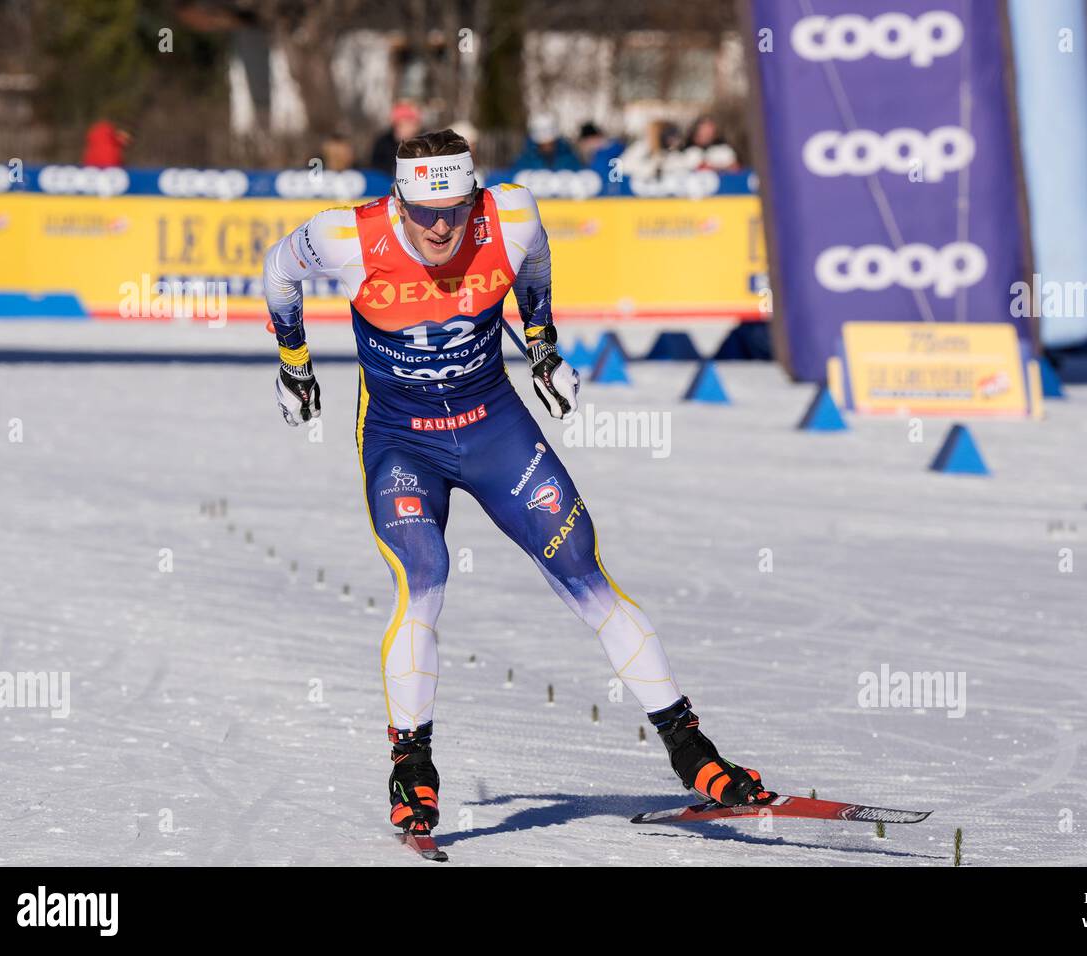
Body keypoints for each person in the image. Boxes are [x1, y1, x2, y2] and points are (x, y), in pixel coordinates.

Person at [261, 128, 765, 840]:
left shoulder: (512, 216)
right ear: (397, 198)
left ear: (475, 196)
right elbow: (277, 270)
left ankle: (694, 752)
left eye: (455, 210)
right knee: (424, 576)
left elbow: (535, 268)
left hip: (493, 429)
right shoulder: (347, 236)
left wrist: (543, 344)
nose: (441, 228)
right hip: (401, 443)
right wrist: (295, 364)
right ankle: (412, 766)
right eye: (424, 212)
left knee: (583, 566)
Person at [510, 114, 581, 171]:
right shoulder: (526, 160)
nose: (547, 145)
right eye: (543, 144)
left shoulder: (568, 158)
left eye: (550, 142)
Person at [370, 101, 423, 174]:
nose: (399, 128)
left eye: (405, 124)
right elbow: (376, 171)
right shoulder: (383, 144)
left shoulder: (425, 144)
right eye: (397, 124)